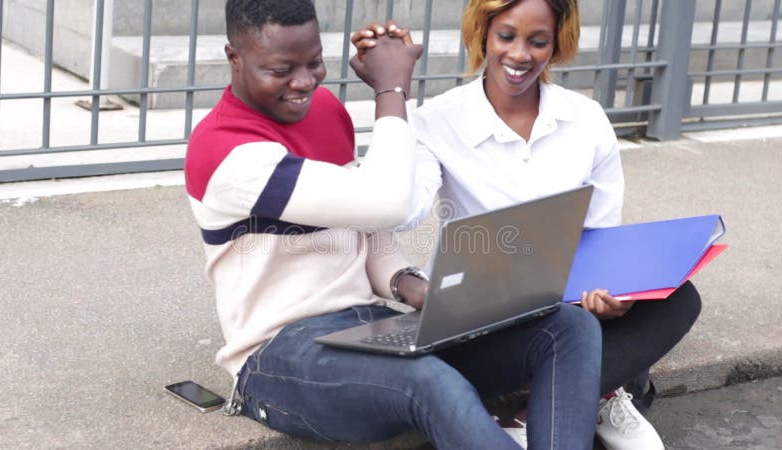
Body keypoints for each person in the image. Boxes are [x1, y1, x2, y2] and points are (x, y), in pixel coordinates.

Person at [184, 1, 603, 449]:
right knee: (429, 382)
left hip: (369, 326)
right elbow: (385, 203)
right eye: (280, 69)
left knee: (567, 327)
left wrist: (412, 284)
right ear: (234, 59)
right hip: (278, 355)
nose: (304, 83)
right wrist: (391, 90)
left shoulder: (323, 111)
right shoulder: (224, 151)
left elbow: (367, 230)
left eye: (314, 63)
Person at [352, 0, 702, 449]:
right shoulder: (437, 121)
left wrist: (613, 296)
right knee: (568, 332)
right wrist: (391, 88)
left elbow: (598, 238)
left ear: (557, 44)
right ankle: (587, 391)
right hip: (481, 315)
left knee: (679, 297)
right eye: (506, 36)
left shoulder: (585, 119)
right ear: (483, 34)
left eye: (538, 41)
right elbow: (401, 210)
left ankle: (542, 407)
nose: (520, 55)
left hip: (568, 299)